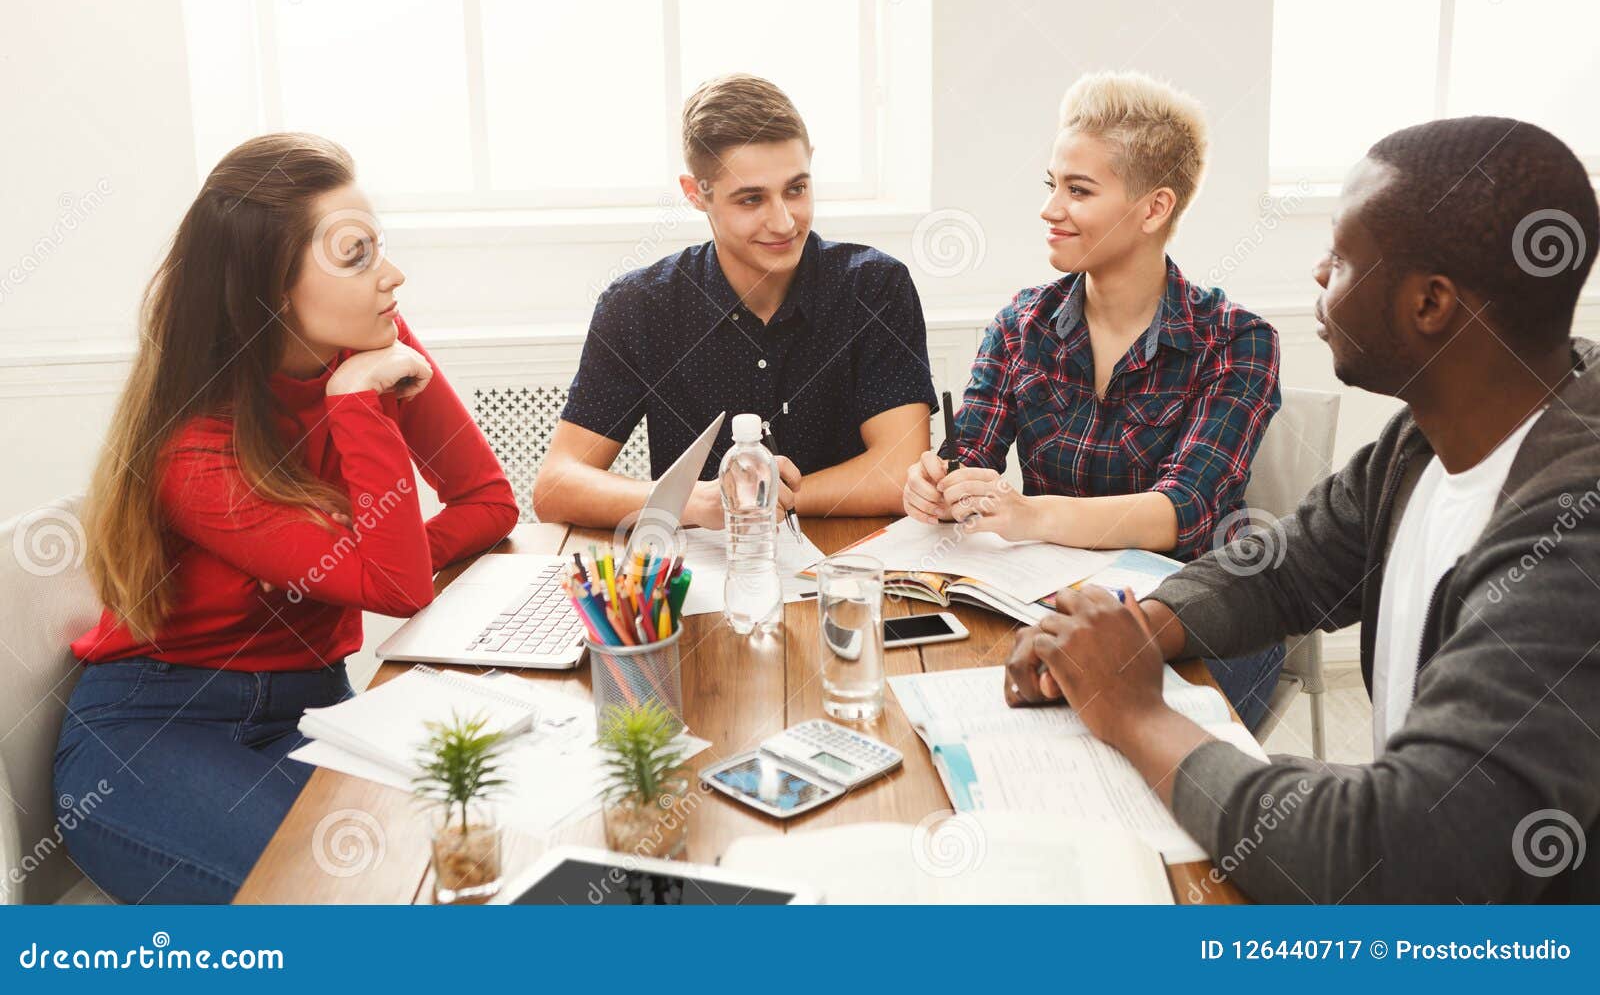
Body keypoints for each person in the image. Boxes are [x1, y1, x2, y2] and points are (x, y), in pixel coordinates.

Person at [1007, 115, 1600, 902]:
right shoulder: (1423, 443)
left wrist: (1136, 713)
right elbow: (1285, 568)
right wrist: (1130, 632)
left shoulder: (1569, 542)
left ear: (1431, 303)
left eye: (1344, 256)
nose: (1320, 273)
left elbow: (1382, 852)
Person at [56, 134, 519, 903]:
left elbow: (488, 503)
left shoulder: (377, 343)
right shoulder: (194, 450)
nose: (392, 276)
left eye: (380, 248)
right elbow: (401, 587)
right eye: (357, 255)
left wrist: (368, 551)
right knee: (362, 901)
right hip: (158, 730)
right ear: (273, 288)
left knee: (468, 864)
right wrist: (353, 404)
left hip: (313, 705)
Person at [903, 71, 1284, 726]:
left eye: (1078, 190)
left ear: (1153, 208)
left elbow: (1181, 511)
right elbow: (972, 456)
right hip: (1058, 600)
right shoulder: (1021, 325)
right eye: (1052, 184)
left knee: (1140, 753)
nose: (1051, 209)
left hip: (1202, 608)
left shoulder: (1237, 341)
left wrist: (1030, 515)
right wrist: (938, 484)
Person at [533, 74, 936, 529]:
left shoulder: (876, 287)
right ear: (695, 194)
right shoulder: (637, 306)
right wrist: (692, 502)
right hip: (706, 574)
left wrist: (757, 501)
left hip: (846, 569)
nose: (784, 222)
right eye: (751, 199)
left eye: (797, 189)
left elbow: (899, 472)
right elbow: (556, 486)